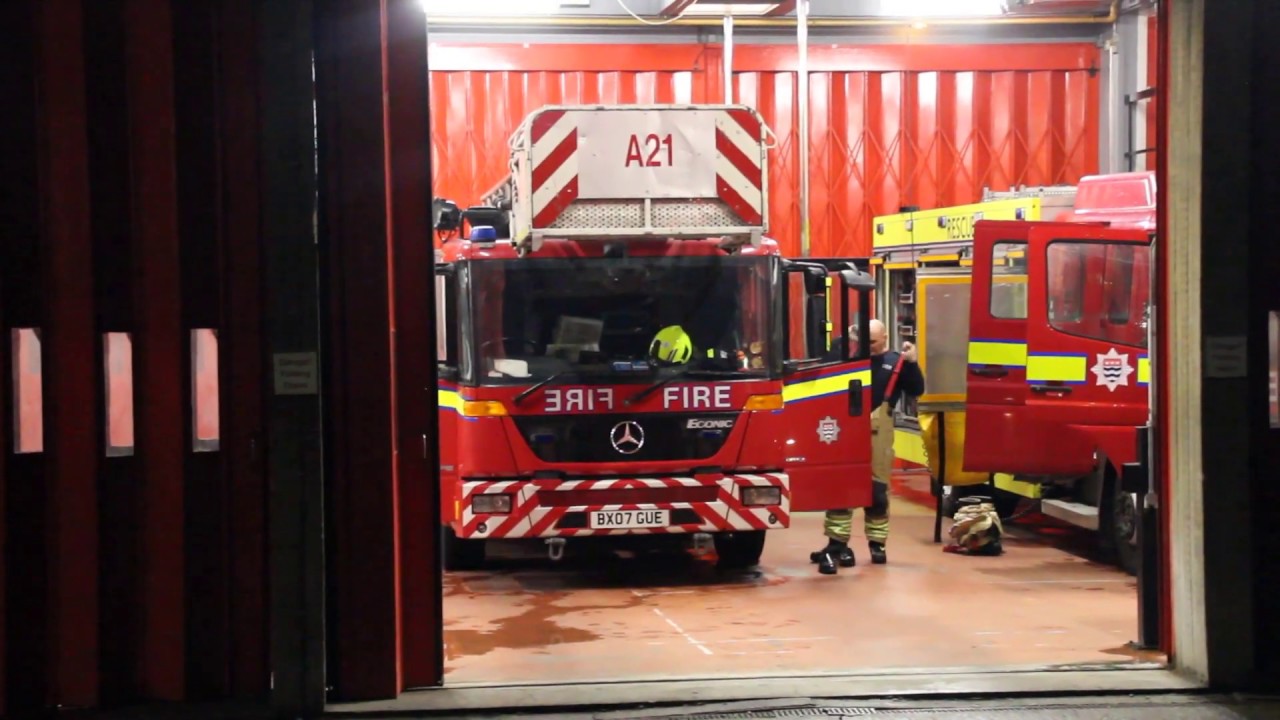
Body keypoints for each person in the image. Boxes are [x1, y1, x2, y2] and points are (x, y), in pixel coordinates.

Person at [812, 318, 925, 575]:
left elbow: (917, 389)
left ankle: (877, 544)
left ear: (885, 338)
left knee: (876, 491)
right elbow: (825, 365)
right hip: (845, 430)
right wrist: (849, 339)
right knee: (841, 488)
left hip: (878, 432)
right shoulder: (849, 357)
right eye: (864, 341)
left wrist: (913, 363)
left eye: (872, 342)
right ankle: (837, 543)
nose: (868, 347)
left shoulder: (897, 362)